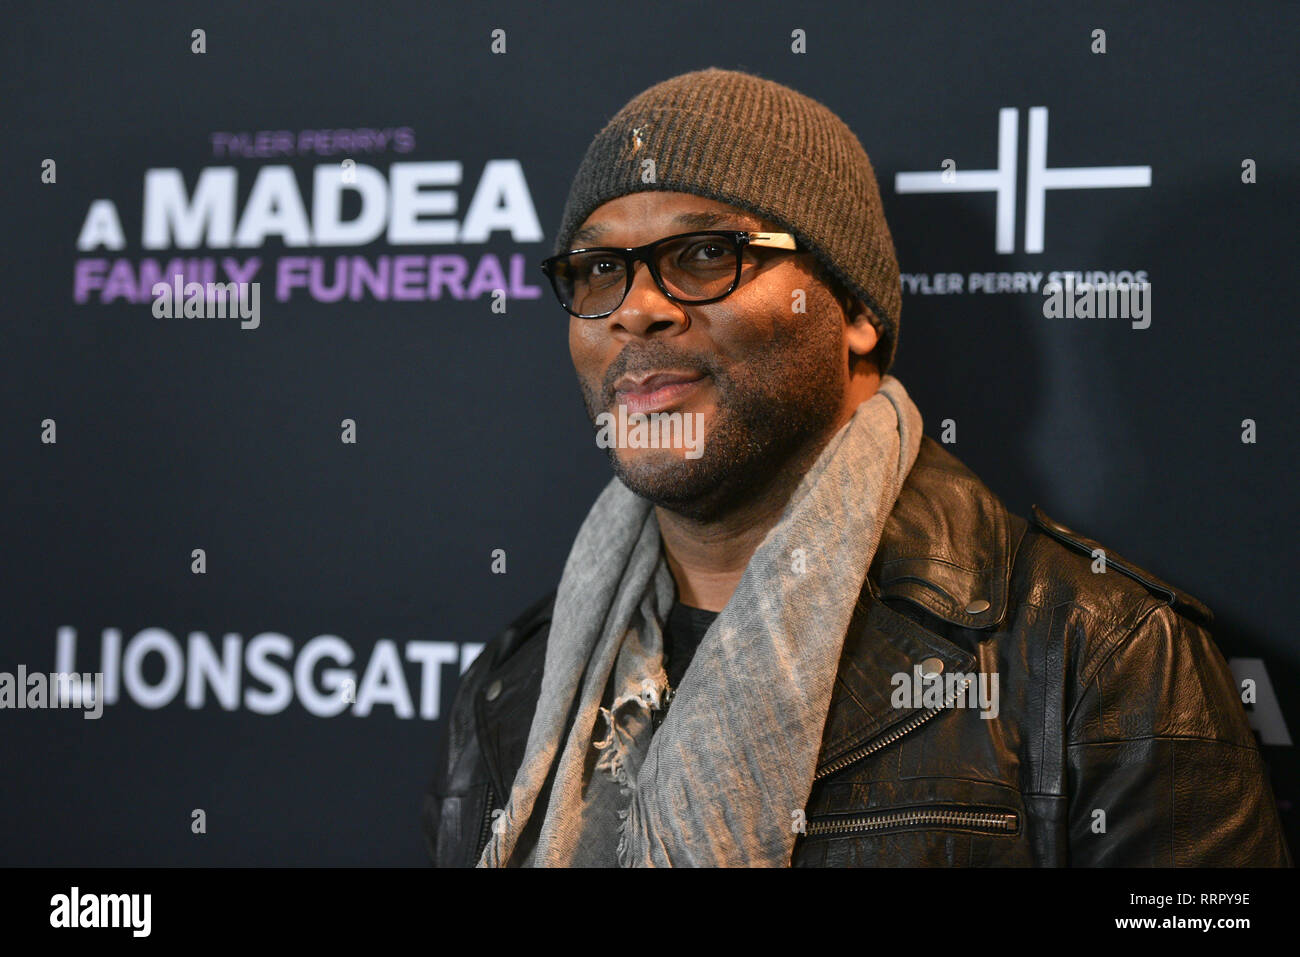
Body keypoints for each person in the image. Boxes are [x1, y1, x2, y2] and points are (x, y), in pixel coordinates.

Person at [422, 67, 1291, 867]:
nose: (636, 310)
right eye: (599, 269)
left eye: (704, 255)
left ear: (856, 312)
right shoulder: (514, 686)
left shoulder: (1101, 661)